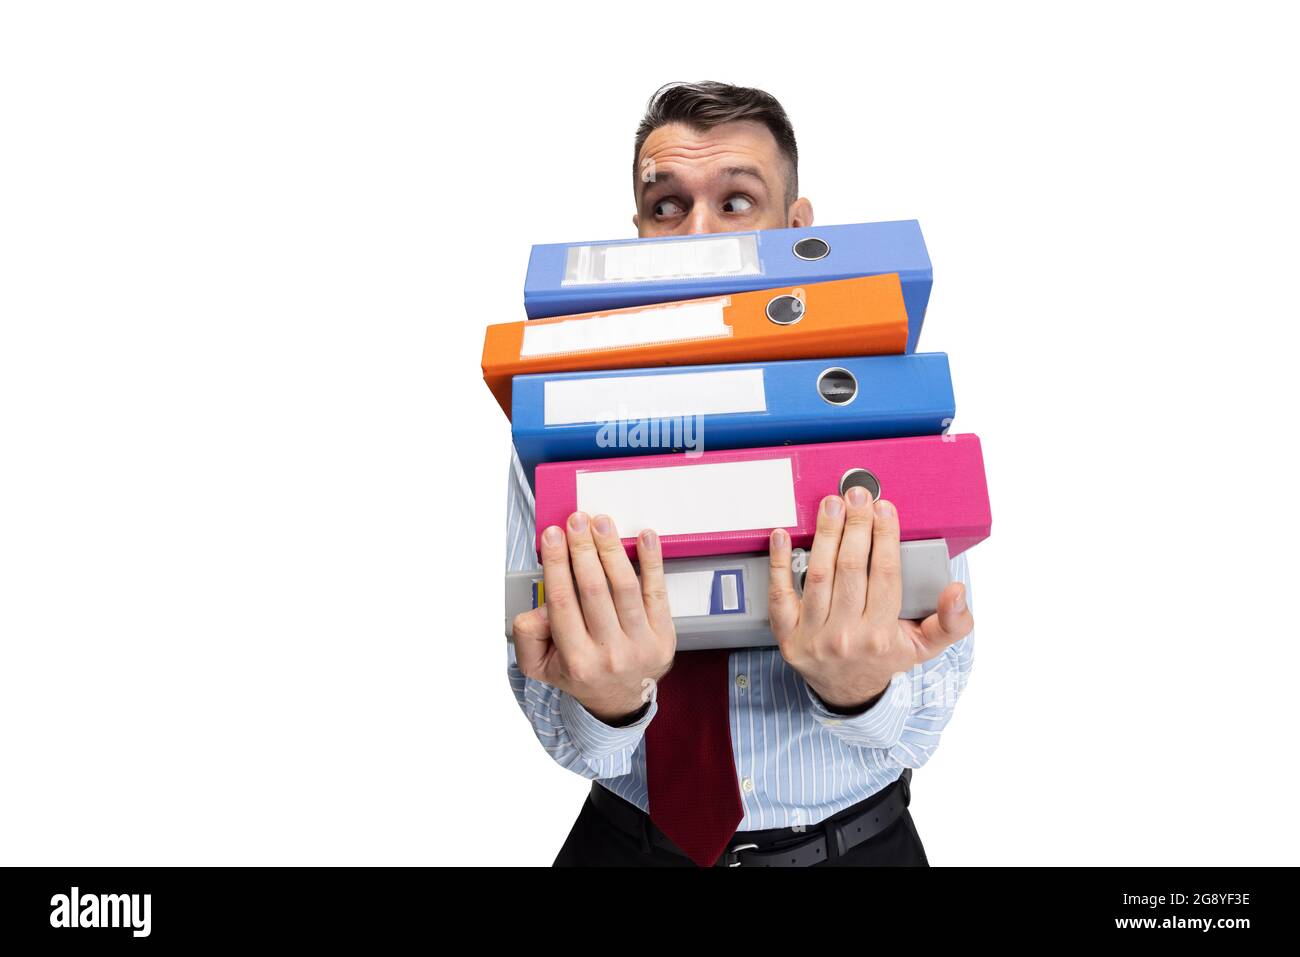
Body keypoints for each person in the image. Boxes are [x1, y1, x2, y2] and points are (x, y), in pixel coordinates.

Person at [506, 82, 975, 867]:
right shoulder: (559, 419)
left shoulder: (884, 401)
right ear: (635, 237)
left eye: (735, 202)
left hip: (856, 848)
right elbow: (555, 711)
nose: (697, 234)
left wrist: (858, 687)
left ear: (795, 229)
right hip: (627, 848)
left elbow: (928, 711)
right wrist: (609, 706)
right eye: (667, 207)